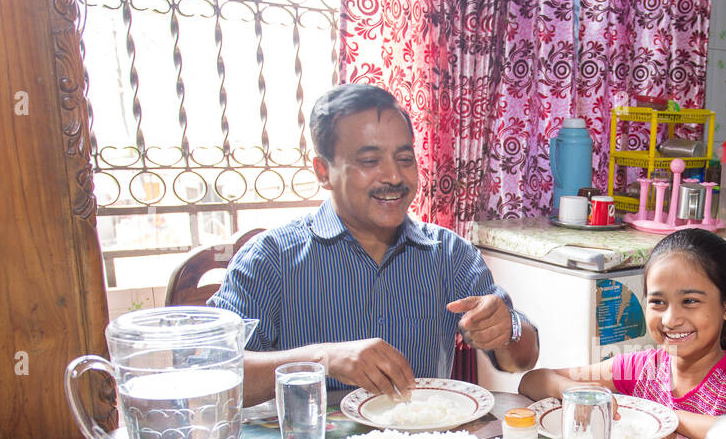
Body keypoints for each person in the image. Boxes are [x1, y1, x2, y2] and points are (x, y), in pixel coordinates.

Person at [209, 83, 538, 406]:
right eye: (369, 161)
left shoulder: (449, 254)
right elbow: (214, 372)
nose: (393, 176)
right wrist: (323, 359)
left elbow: (521, 360)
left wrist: (506, 328)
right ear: (324, 172)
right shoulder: (271, 258)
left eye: (405, 159)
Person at [521, 228, 726, 439]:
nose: (670, 320)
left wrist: (659, 415)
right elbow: (532, 381)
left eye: (689, 301)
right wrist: (572, 391)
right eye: (658, 302)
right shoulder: (641, 368)